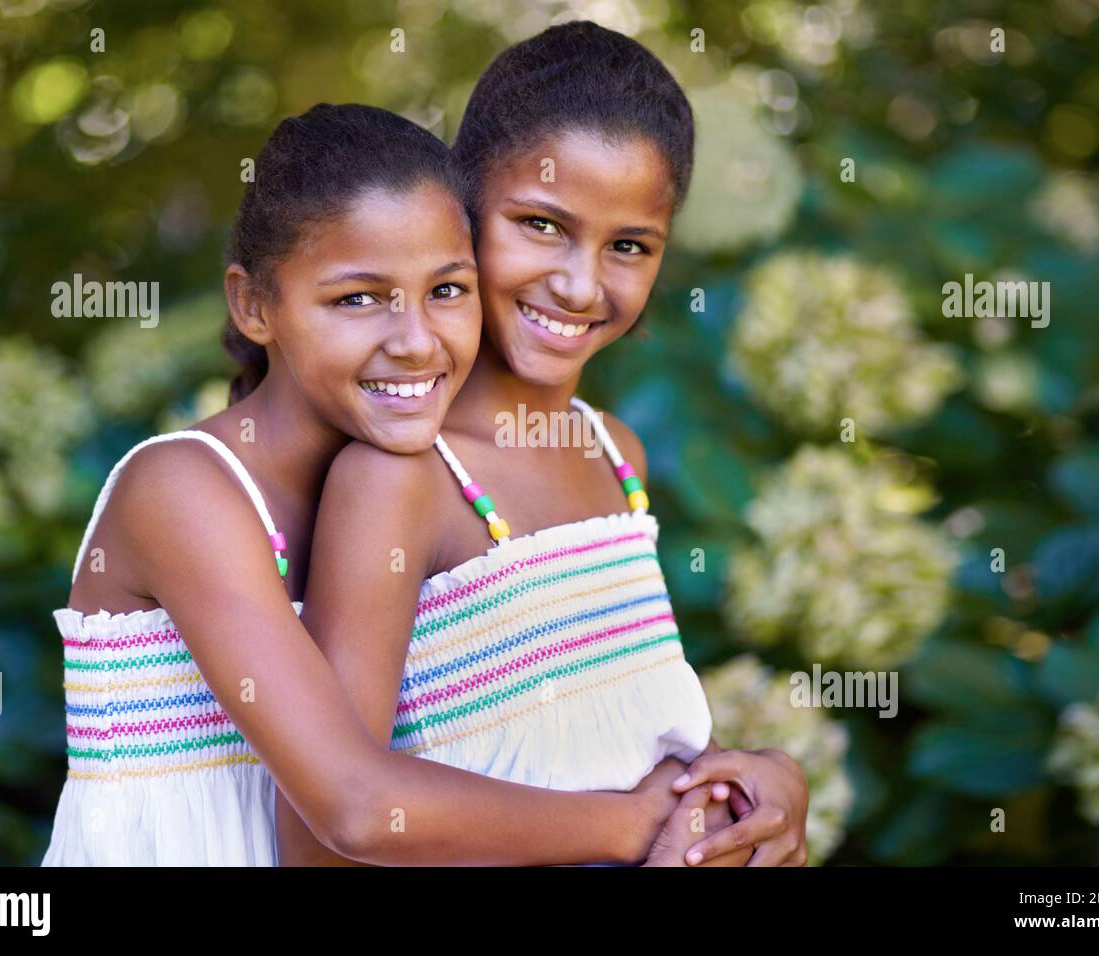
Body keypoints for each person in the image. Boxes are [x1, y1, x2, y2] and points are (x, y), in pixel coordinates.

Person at [42, 103, 700, 866]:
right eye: (357, 299)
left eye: (447, 291)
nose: (415, 342)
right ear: (254, 304)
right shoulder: (186, 489)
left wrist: (753, 778)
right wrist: (630, 826)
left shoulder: (410, 498)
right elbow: (353, 807)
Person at [277, 23, 810, 868]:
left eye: (628, 245)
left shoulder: (615, 455)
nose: (580, 283)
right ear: (459, 209)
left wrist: (768, 782)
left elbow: (609, 743)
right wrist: (630, 828)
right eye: (542, 224)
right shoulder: (401, 480)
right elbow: (324, 837)